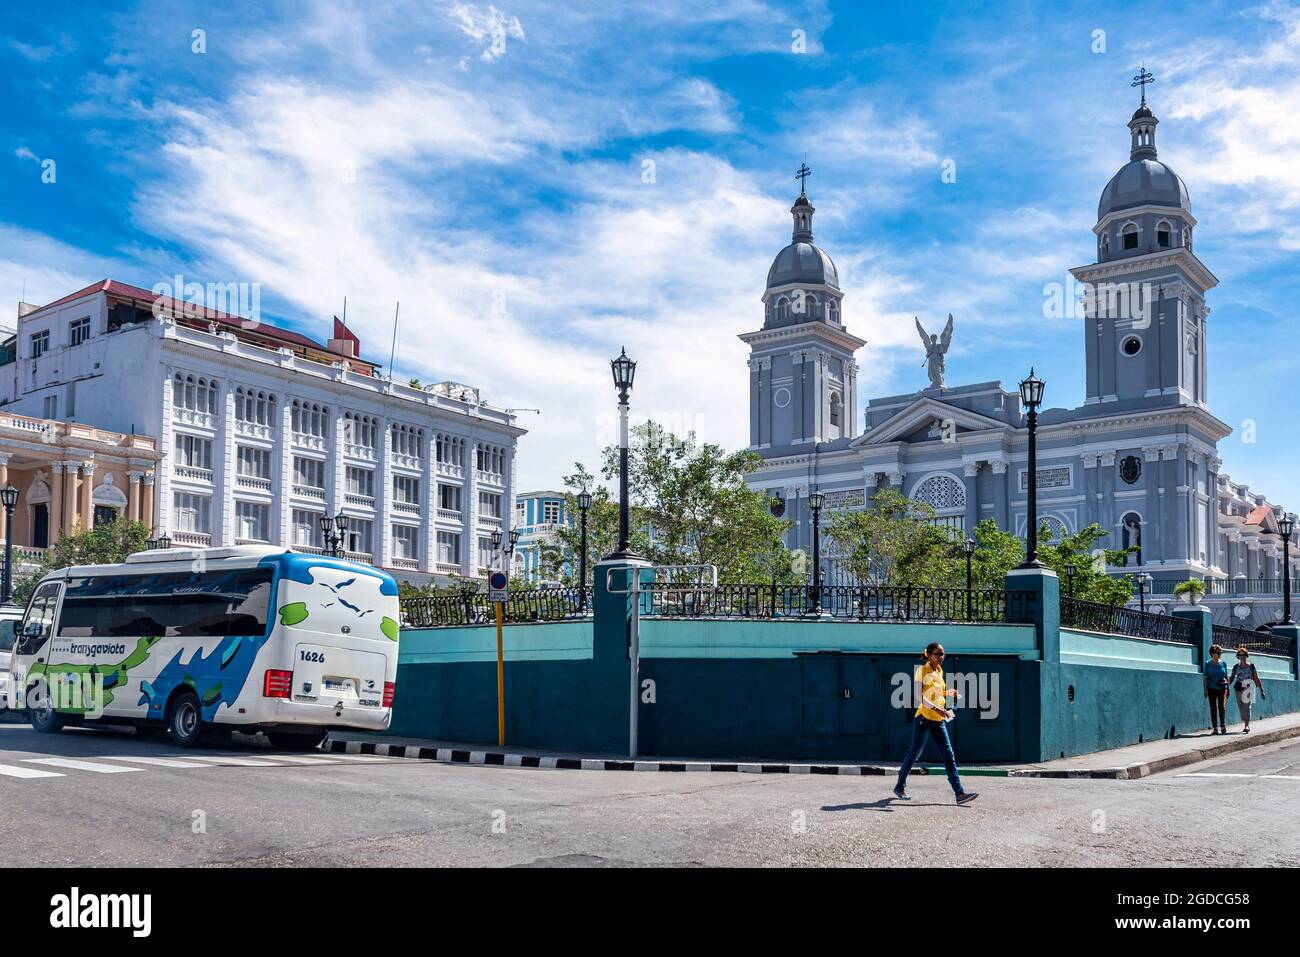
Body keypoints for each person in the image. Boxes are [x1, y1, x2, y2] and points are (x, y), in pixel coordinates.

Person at [893, 642, 978, 805]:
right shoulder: (921, 671)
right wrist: (937, 708)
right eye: (937, 654)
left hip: (939, 720)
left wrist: (948, 693)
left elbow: (935, 692)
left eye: (942, 654)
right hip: (924, 718)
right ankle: (899, 787)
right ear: (929, 655)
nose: (941, 657)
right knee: (914, 754)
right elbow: (919, 696)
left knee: (948, 755)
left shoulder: (939, 671)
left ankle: (959, 793)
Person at [1229, 647, 1265, 733]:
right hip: (1238, 688)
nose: (1242, 657)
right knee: (1241, 707)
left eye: (1244, 655)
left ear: (1246, 656)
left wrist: (1261, 690)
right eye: (1240, 655)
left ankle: (1247, 725)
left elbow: (1256, 678)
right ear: (1238, 656)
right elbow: (1232, 678)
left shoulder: (1251, 666)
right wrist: (1226, 687)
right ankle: (1245, 721)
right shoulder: (1236, 667)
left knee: (1247, 706)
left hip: (1249, 687)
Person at [1205, 644, 1230, 735]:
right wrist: (1205, 690)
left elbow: (1226, 676)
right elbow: (1205, 677)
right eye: (1218, 653)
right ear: (1212, 653)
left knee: (1222, 707)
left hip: (1222, 688)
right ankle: (1215, 728)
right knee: (1213, 707)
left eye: (1220, 653)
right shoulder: (1207, 664)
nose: (1220, 654)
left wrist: (1228, 688)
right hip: (1211, 688)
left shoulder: (1223, 663)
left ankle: (1222, 725)